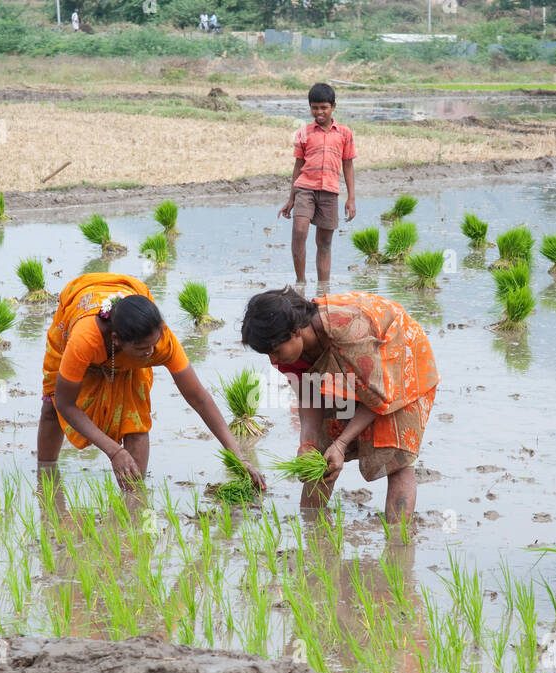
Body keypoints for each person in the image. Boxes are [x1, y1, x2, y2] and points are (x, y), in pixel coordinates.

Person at [38, 272, 265, 492]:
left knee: (135, 419)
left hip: (126, 354)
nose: (151, 353)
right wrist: (114, 451)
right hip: (80, 324)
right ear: (116, 340)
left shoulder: (161, 342)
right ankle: (45, 481)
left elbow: (200, 399)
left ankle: (133, 499)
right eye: (142, 348)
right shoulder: (84, 340)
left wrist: (239, 456)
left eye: (153, 344)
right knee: (51, 407)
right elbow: (65, 403)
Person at [240, 287, 438, 525]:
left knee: (395, 455)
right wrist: (308, 443)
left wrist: (342, 444)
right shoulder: (292, 352)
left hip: (399, 354)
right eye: (267, 355)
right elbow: (308, 393)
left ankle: (398, 543)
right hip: (351, 369)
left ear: (295, 332)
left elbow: (378, 396)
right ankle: (312, 531)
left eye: (275, 352)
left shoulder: (348, 329)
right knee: (321, 458)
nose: (274, 361)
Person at [278, 82, 356, 285]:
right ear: (310, 107)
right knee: (299, 231)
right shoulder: (304, 132)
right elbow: (298, 165)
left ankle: (323, 291)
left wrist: (351, 199)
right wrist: (291, 197)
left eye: (324, 107)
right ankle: (301, 282)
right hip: (305, 188)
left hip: (330, 191)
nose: (319, 112)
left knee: (325, 243)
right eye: (314, 107)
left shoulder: (344, 133)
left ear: (333, 107)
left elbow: (348, 166)